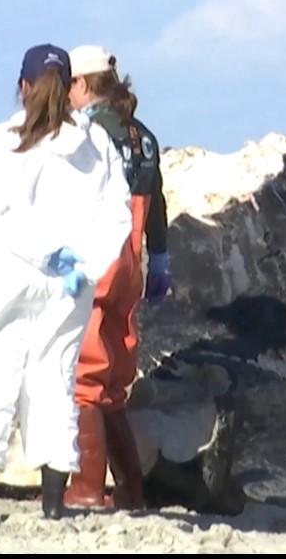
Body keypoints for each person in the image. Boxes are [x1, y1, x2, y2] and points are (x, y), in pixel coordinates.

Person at [0, 43, 133, 520]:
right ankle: (53, 503)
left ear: (23, 85)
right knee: (55, 379)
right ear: (70, 85)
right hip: (67, 286)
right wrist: (82, 266)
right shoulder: (96, 145)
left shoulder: (3, 139)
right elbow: (117, 215)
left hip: (8, 272)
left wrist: (43, 253)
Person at [61, 44, 171, 510]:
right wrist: (160, 259)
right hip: (131, 262)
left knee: (84, 375)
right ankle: (131, 489)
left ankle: (86, 487)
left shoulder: (86, 132)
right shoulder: (142, 136)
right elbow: (157, 202)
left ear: (83, 85)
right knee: (112, 384)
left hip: (96, 260)